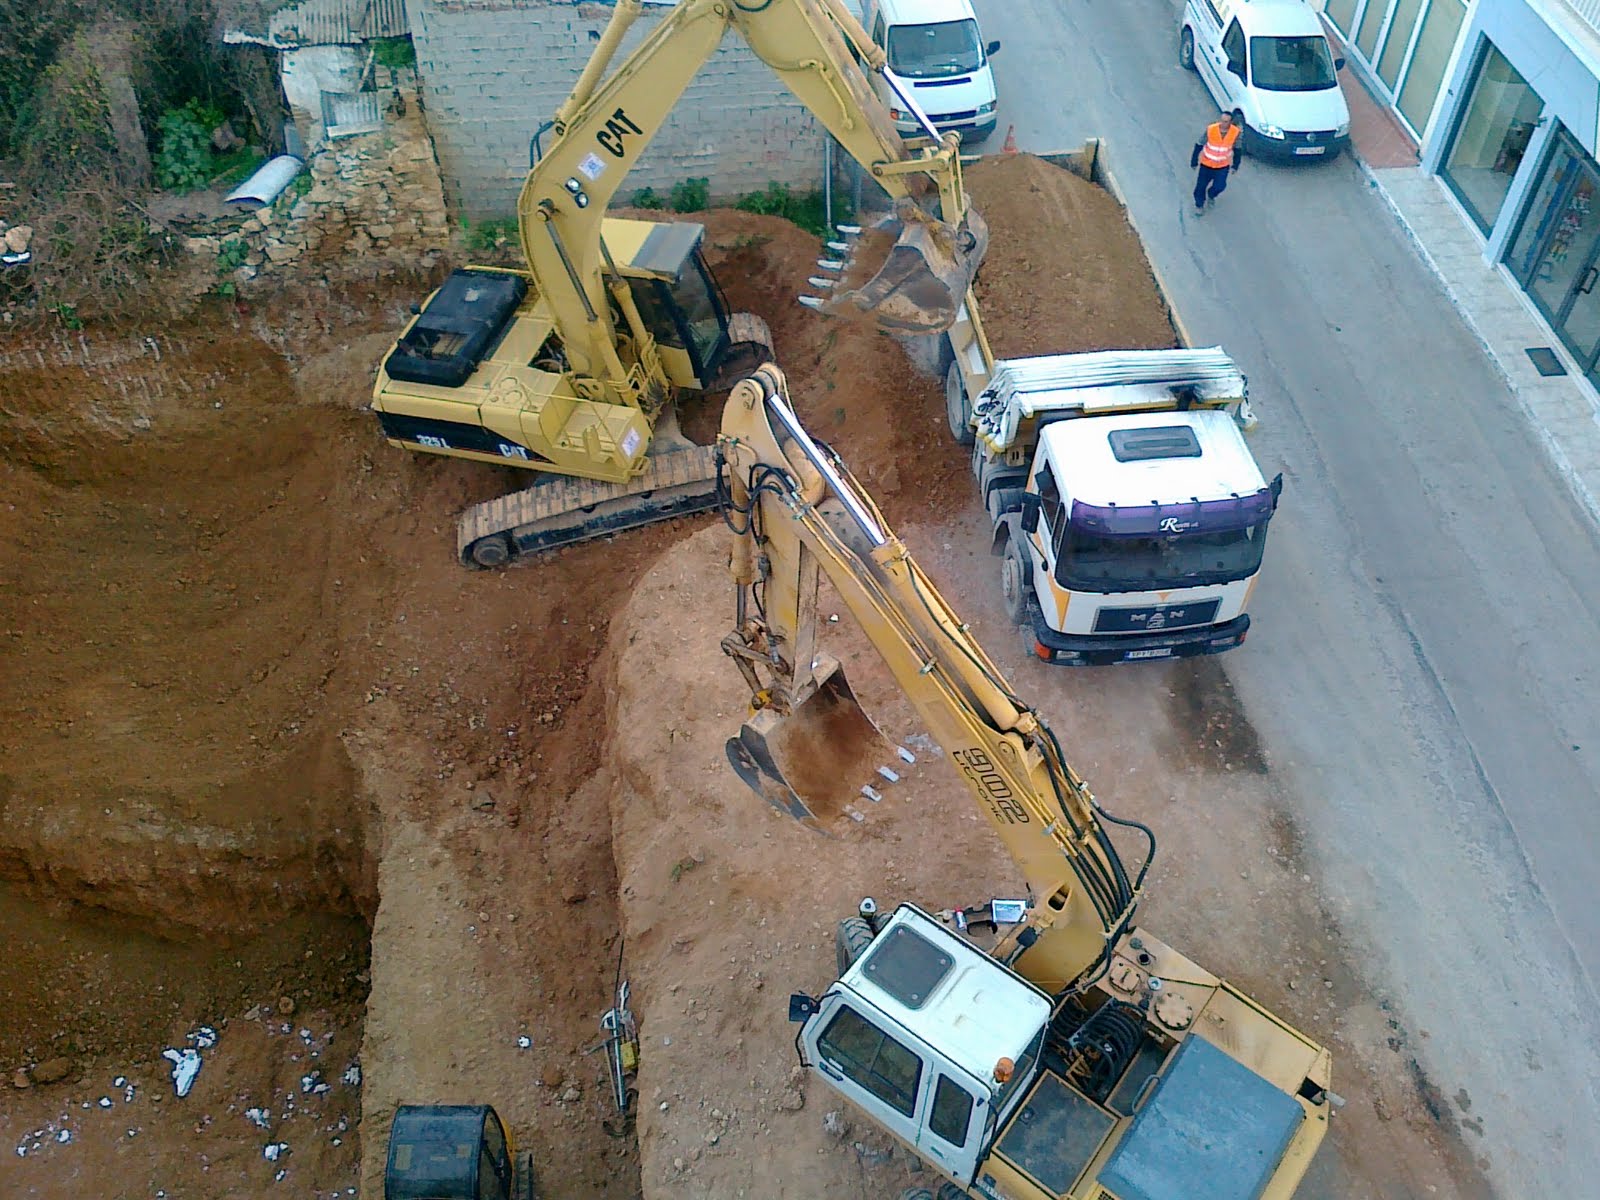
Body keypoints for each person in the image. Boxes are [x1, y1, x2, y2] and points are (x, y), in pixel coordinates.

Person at [1190, 110, 1242, 215]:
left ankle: (1211, 194)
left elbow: (1238, 149)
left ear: (1230, 122)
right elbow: (1199, 144)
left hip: (1222, 165)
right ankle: (1199, 205)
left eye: (1226, 121)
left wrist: (1235, 165)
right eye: (1222, 120)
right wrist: (1194, 161)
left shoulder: (1235, 133)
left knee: (1220, 186)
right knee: (1200, 186)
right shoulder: (1211, 129)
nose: (1223, 123)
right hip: (1207, 164)